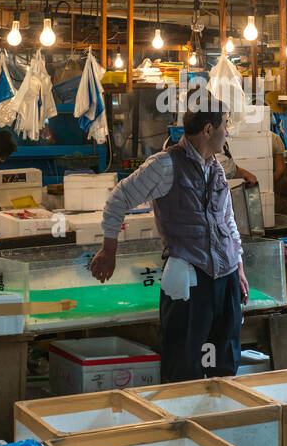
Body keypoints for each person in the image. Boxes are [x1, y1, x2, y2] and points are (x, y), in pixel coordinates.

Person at [91, 109, 248, 383]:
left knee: (224, 361)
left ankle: (221, 418)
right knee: (185, 362)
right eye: (226, 125)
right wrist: (109, 250)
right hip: (189, 275)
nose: (229, 131)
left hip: (226, 277)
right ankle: (184, 420)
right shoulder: (165, 165)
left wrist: (239, 267)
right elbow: (118, 199)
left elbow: (228, 220)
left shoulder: (217, 167)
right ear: (208, 130)